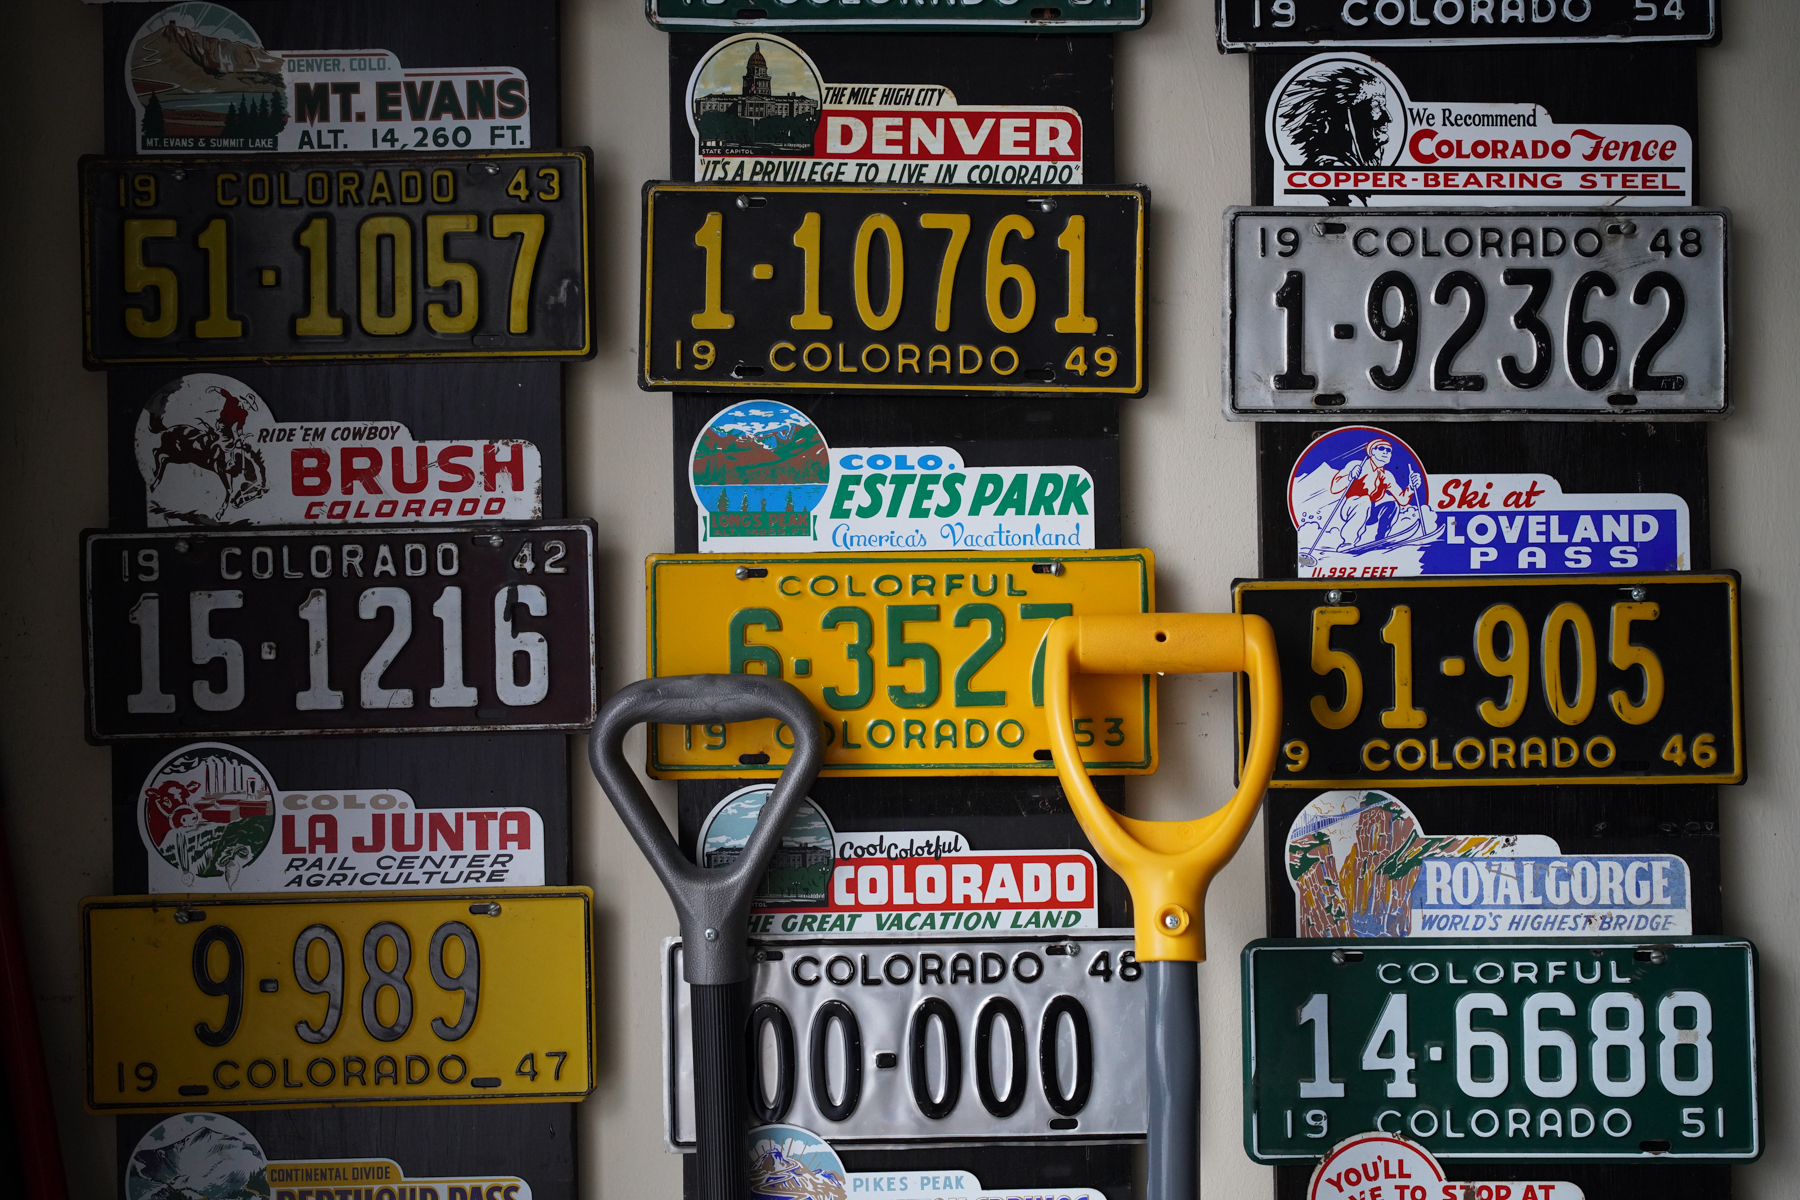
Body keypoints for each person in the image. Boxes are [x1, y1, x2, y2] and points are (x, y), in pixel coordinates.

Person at [1323, 438, 1436, 550]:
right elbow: (1334, 488)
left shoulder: (1387, 475)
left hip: (1372, 512)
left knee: (1392, 503)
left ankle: (1381, 539)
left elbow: (1402, 500)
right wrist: (1350, 476)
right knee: (1364, 500)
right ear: (1372, 451)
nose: (1385, 452)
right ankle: (1348, 542)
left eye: (1389, 450)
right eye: (1381, 448)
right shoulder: (1357, 465)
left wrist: (1411, 487)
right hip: (1351, 508)